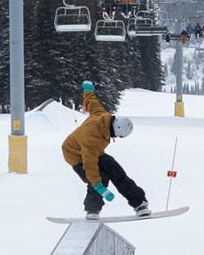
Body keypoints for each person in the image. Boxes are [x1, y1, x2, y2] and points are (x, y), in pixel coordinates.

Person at [60, 81, 149, 219]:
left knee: (115, 170)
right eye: (118, 136)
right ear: (115, 130)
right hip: (74, 155)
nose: (116, 138)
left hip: (93, 151)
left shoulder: (101, 114)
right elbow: (90, 165)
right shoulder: (92, 139)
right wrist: (99, 187)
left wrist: (88, 90)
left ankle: (139, 203)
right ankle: (92, 209)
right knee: (99, 176)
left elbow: (90, 101)